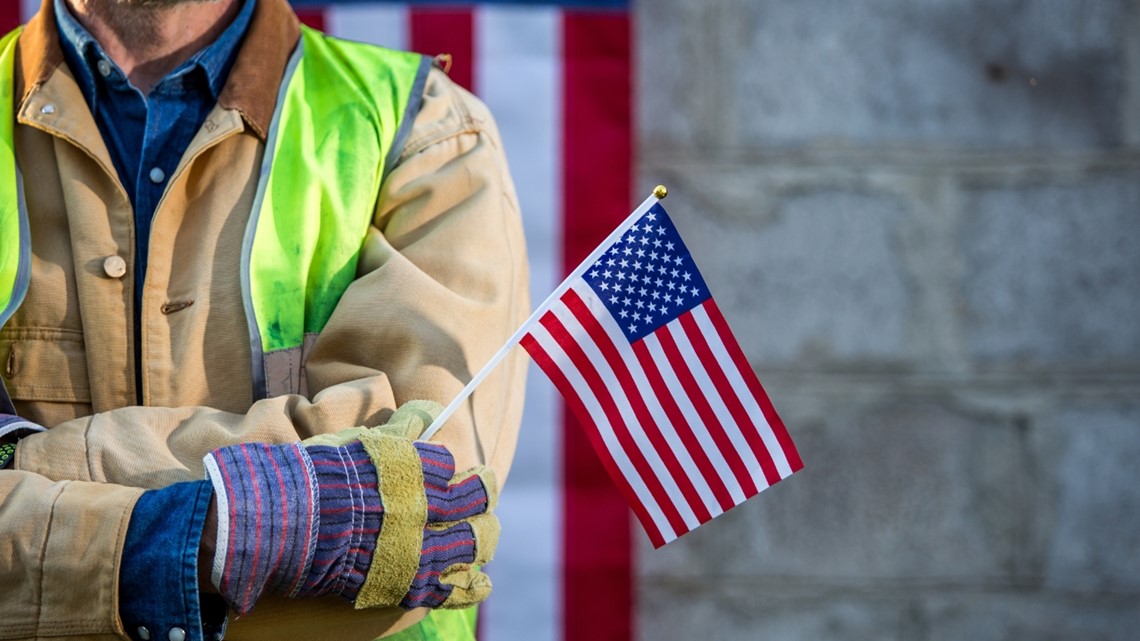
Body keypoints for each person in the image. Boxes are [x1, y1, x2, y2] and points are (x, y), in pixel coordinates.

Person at [0, 0, 529, 639]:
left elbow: (418, 505)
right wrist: (236, 524)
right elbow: (358, 507)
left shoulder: (423, 128)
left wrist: (20, 466)